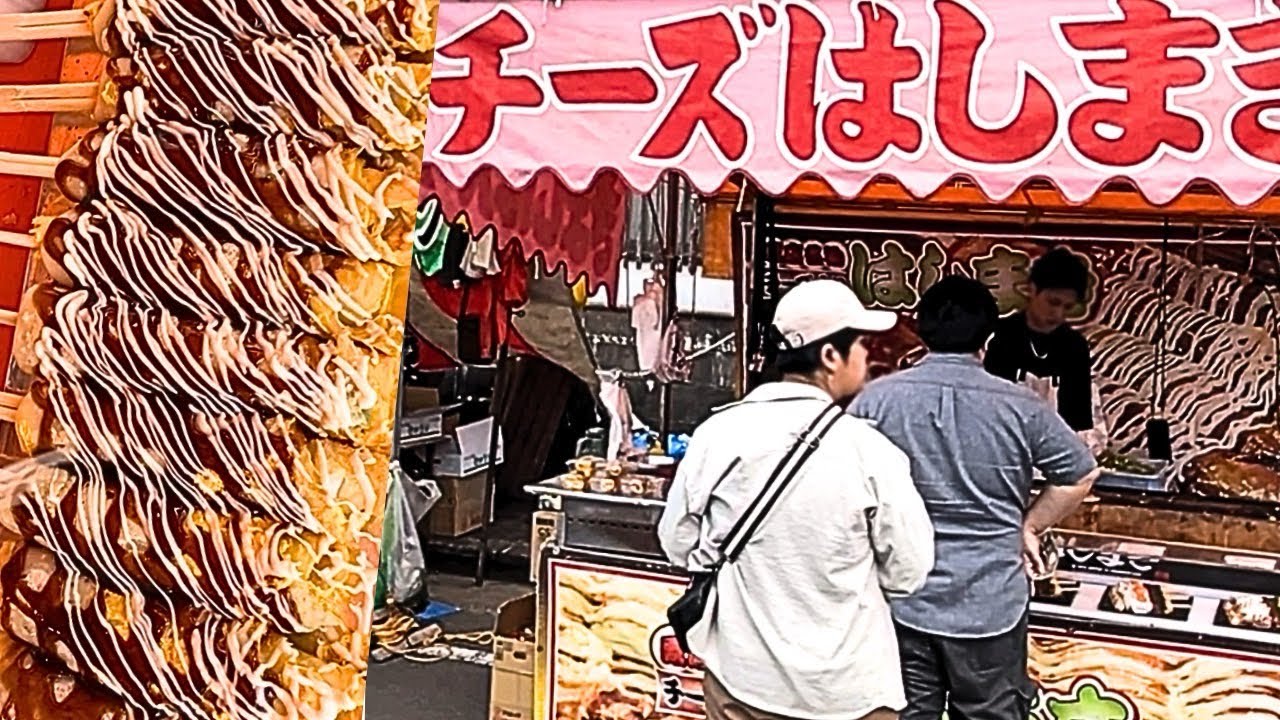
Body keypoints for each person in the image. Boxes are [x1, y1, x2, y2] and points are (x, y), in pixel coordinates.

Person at [658, 279, 935, 720]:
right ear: (830, 356)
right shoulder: (871, 452)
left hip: (742, 684)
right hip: (848, 695)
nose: (867, 356)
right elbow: (909, 572)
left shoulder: (718, 433)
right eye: (860, 344)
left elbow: (677, 543)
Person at [849, 276, 1099, 720]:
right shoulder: (1021, 406)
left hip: (901, 598)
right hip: (990, 600)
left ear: (922, 330)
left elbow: (845, 484)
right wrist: (1030, 525)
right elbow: (1079, 473)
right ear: (987, 336)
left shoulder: (875, 400)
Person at [983, 247, 1106, 452]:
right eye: (1053, 302)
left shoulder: (1075, 347)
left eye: (1067, 307)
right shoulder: (999, 336)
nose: (1057, 314)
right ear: (1031, 289)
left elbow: (1080, 419)